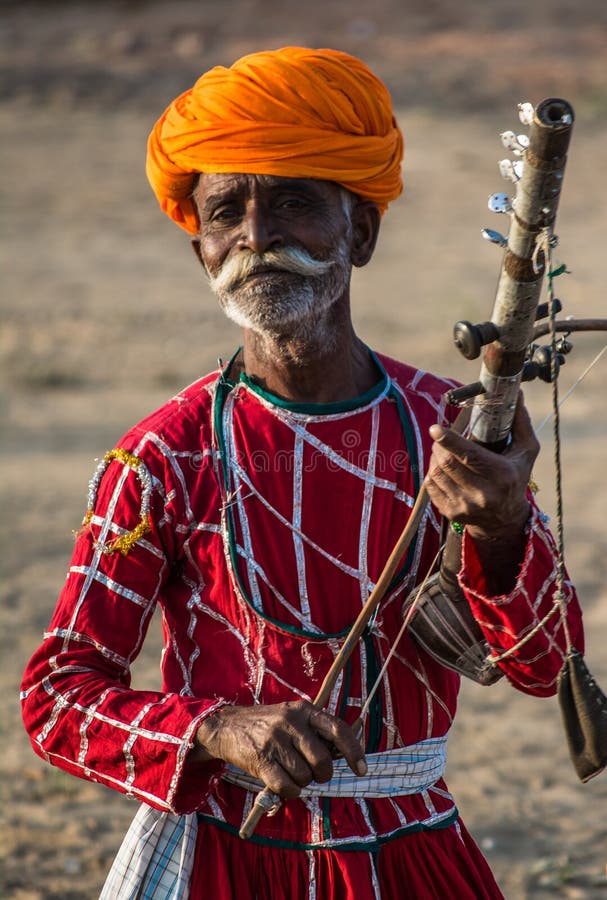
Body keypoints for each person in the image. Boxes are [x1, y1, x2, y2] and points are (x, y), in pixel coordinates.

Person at [21, 47, 583, 899]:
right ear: (200, 248)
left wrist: (502, 528)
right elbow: (57, 699)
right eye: (225, 211)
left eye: (292, 202)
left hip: (411, 854)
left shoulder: (452, 433)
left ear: (360, 231)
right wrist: (216, 729)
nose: (257, 235)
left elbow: (547, 670)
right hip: (222, 858)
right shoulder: (164, 457)